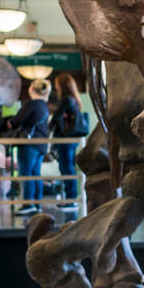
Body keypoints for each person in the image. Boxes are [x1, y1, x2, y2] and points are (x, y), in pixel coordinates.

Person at [9, 80, 52, 216]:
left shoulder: (31, 104)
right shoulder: (44, 106)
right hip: (41, 144)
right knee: (35, 173)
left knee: (26, 174)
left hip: (29, 144)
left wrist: (9, 123)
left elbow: (15, 121)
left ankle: (28, 204)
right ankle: (36, 204)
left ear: (32, 88)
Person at [51, 73, 87, 212]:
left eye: (57, 84)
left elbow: (56, 116)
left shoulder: (66, 99)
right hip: (71, 139)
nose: (55, 87)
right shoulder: (74, 99)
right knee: (68, 167)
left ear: (62, 85)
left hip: (65, 139)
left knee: (66, 168)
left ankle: (71, 200)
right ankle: (70, 199)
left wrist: (59, 115)